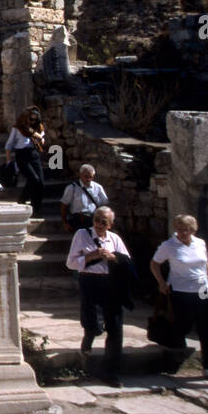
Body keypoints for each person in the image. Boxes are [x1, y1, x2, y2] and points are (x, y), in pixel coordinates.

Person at [151, 215, 208, 383]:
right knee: (181, 326)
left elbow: (205, 263)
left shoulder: (200, 243)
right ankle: (171, 360)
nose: (184, 232)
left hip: (203, 289)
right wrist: (161, 282)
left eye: (187, 230)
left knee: (207, 328)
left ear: (193, 230)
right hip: (180, 290)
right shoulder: (168, 245)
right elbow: (154, 263)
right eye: (181, 229)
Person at [65, 206, 131, 386]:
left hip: (111, 284)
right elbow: (71, 263)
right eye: (97, 220)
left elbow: (127, 261)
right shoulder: (82, 235)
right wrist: (89, 256)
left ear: (110, 224)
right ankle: (86, 347)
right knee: (93, 324)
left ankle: (111, 372)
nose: (99, 224)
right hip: (91, 282)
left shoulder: (114, 239)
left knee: (116, 327)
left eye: (104, 222)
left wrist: (113, 257)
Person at [4, 106, 46, 215]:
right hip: (22, 155)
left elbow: (41, 140)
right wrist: (8, 161)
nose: (33, 121)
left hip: (33, 154)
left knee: (40, 182)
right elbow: (9, 145)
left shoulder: (37, 128)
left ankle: (36, 208)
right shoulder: (18, 128)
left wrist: (41, 140)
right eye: (31, 119)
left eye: (35, 119)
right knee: (33, 179)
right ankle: (22, 201)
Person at [60, 164, 110, 235]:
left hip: (94, 221)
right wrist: (65, 222)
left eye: (91, 177)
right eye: (86, 176)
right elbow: (64, 205)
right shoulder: (72, 188)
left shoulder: (98, 187)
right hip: (79, 221)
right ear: (80, 175)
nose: (88, 179)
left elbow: (105, 205)